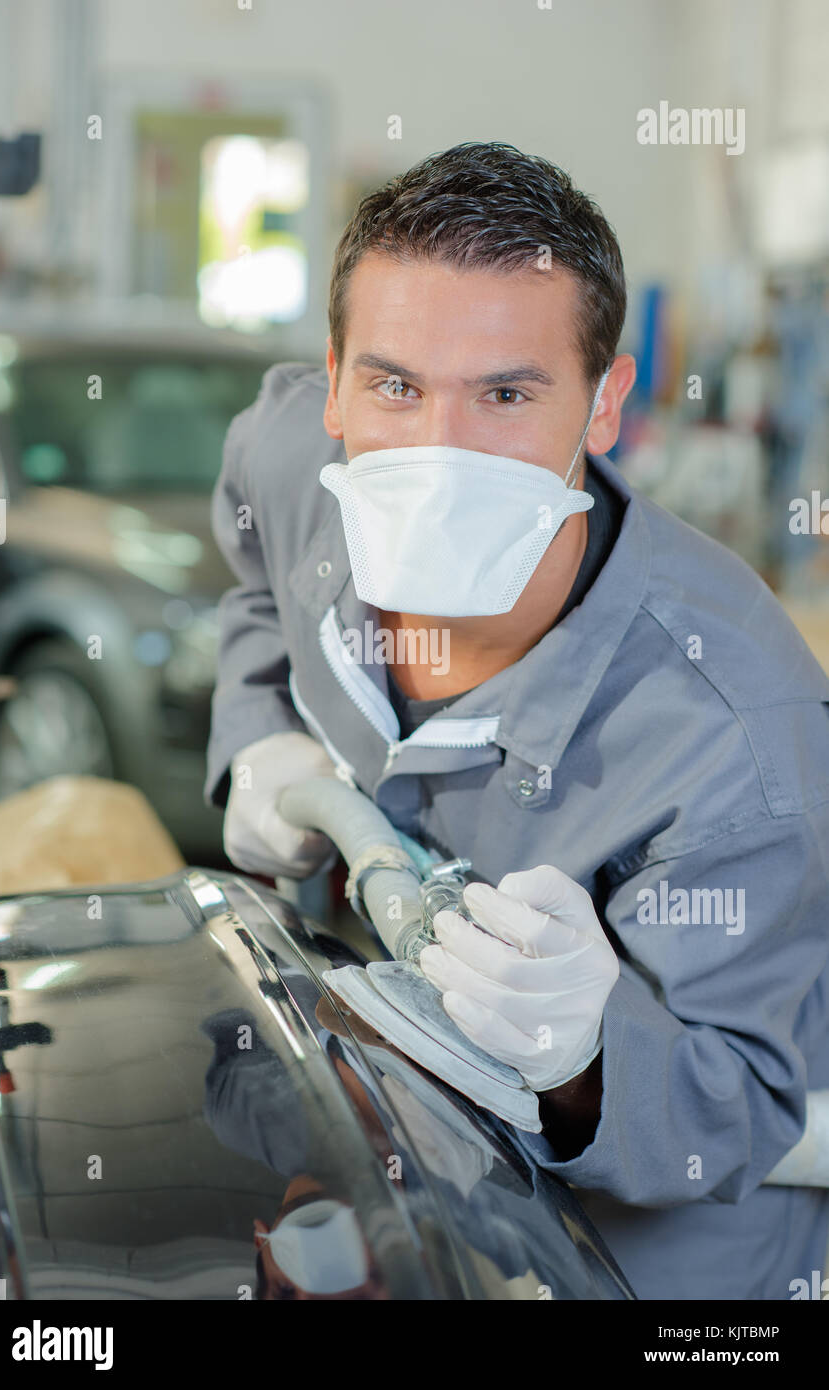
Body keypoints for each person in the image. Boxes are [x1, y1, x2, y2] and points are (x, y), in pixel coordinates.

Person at [204, 141, 829, 1301]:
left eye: (503, 393)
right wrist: (251, 732)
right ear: (332, 380)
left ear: (604, 406)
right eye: (396, 385)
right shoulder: (291, 458)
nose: (435, 452)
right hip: (391, 1154)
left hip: (646, 1250)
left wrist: (588, 1062)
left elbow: (744, 1108)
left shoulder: (732, 732)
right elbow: (252, 576)